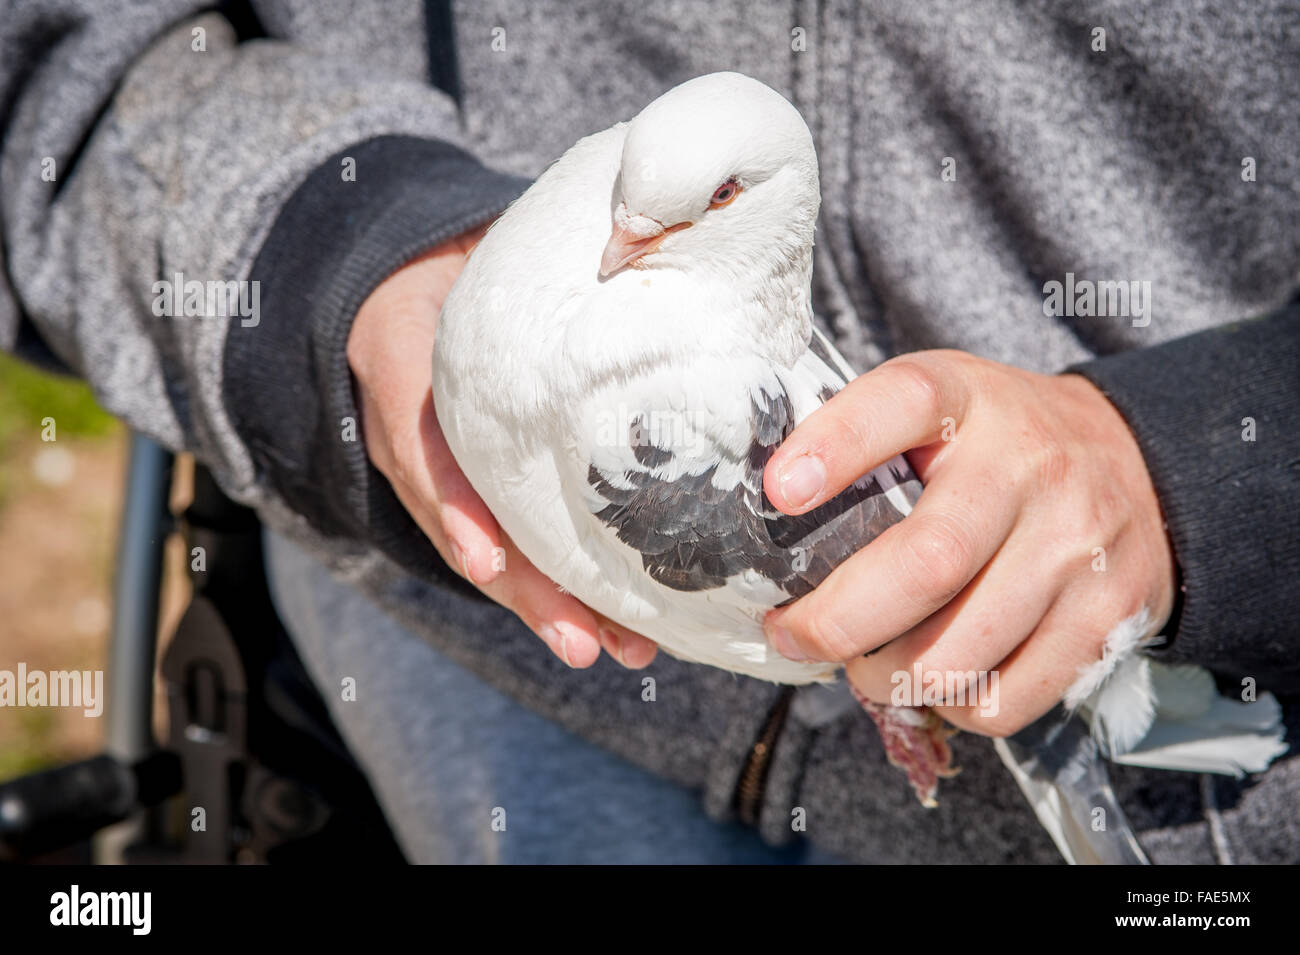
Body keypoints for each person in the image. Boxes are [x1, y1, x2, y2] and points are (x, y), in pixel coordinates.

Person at [2, 0, 1296, 863]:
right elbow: (59, 52)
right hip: (451, 667)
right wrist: (329, 253)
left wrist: (1210, 469)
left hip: (1175, 777)